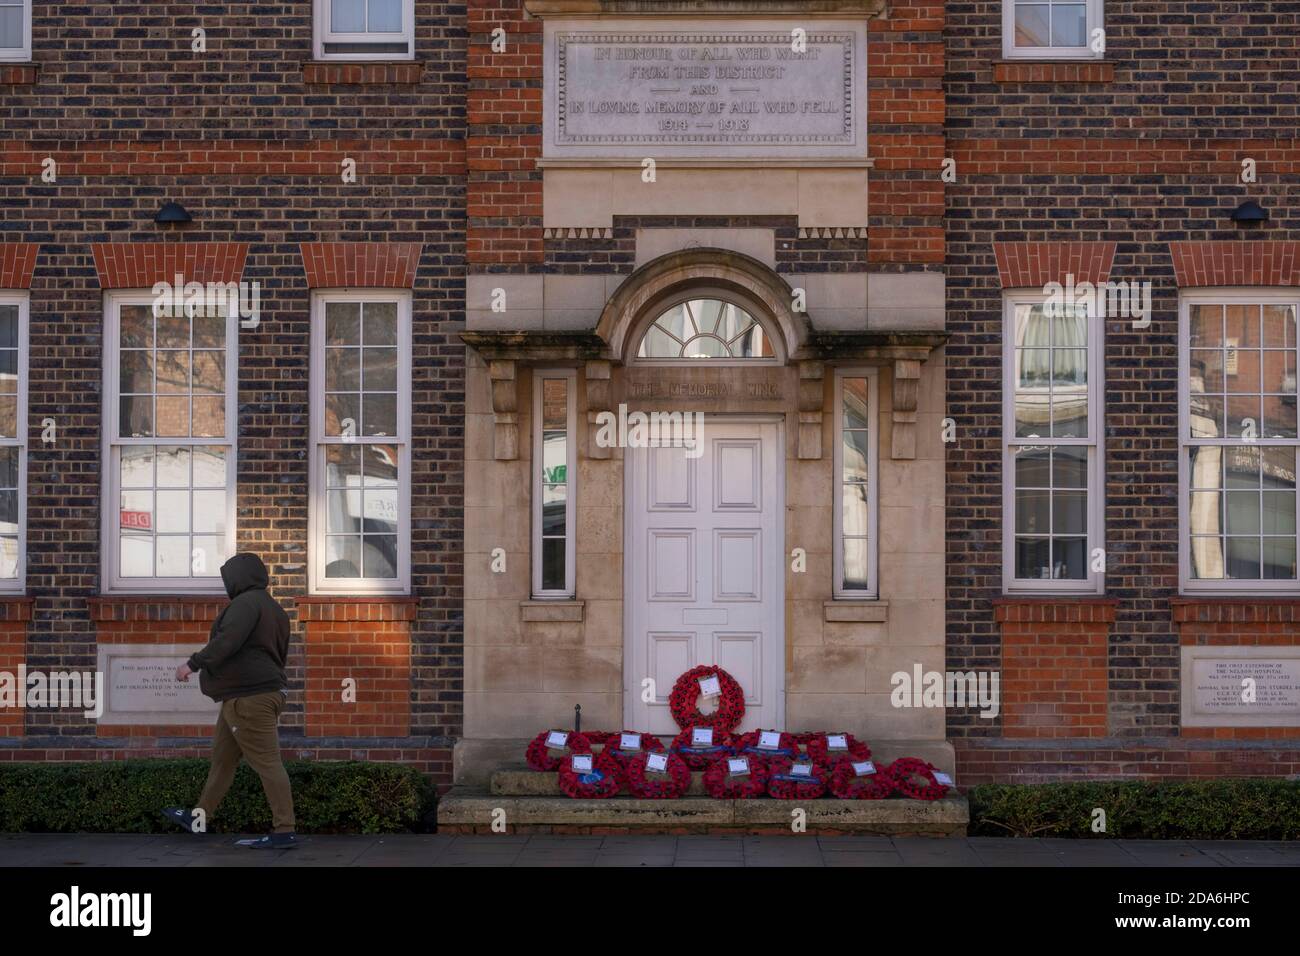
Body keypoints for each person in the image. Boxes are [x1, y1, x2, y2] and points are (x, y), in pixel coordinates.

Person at [162, 552, 297, 849]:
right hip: (246, 697)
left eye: (228, 579)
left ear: (238, 578)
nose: (226, 585)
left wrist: (192, 664)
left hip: (249, 699)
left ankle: (284, 829)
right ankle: (199, 819)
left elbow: (226, 641)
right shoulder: (274, 609)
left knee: (268, 763)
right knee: (222, 762)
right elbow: (278, 655)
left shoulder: (245, 604)